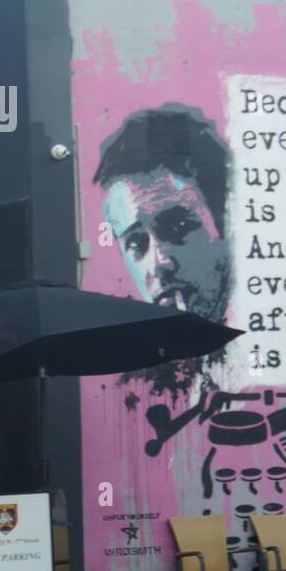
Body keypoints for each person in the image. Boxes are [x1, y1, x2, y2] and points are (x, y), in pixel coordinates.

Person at [94, 104, 230, 396]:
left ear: (225, 226)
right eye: (135, 243)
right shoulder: (130, 384)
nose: (160, 263)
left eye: (179, 226)